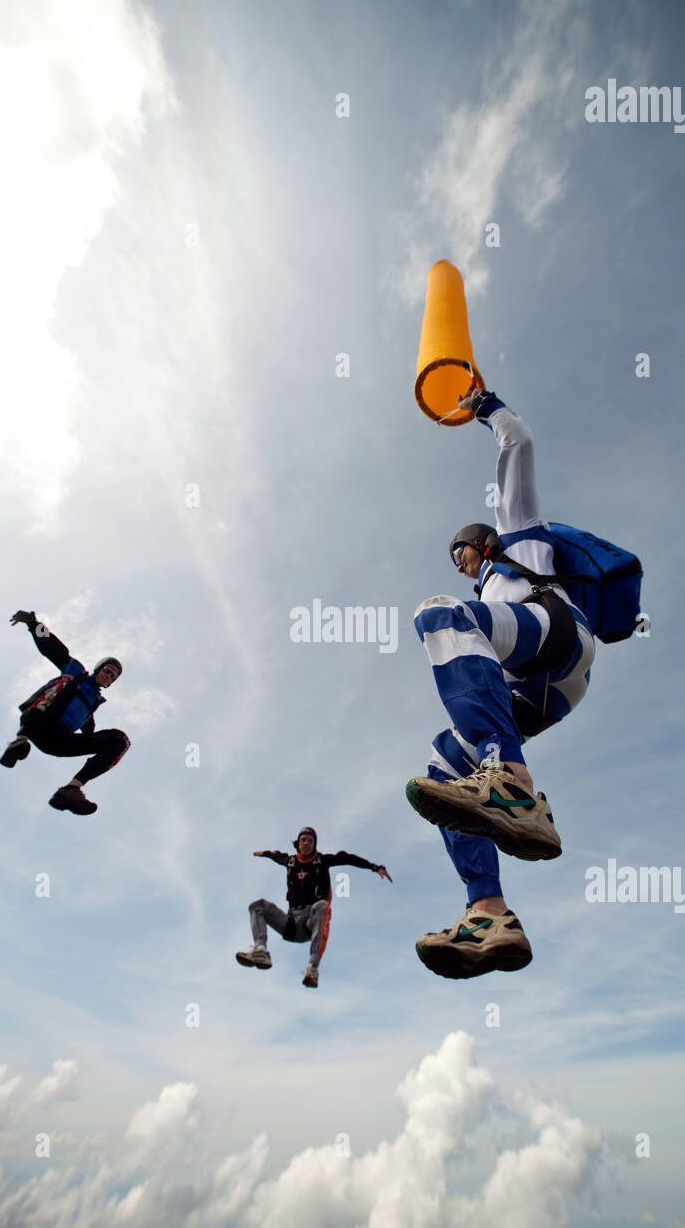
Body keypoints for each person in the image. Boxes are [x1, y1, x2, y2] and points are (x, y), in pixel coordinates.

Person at [407, 383, 595, 980]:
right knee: (443, 769)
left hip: (557, 635)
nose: (458, 562)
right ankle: (488, 913)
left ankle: (511, 784)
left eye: (457, 551)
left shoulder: (517, 536)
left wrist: (483, 406)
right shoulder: (487, 590)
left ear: (477, 542)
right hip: (544, 689)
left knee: (442, 611)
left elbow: (520, 440)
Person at [0, 610, 129, 816]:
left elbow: (90, 739)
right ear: (98, 669)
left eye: (112, 676)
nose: (108, 676)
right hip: (39, 722)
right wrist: (33, 624)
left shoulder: (92, 705)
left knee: (119, 740)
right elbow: (54, 649)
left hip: (58, 741)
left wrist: (102, 751)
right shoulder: (77, 674)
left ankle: (72, 789)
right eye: (106, 670)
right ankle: (19, 741)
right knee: (66, 682)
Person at [237, 828, 392, 987]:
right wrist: (264, 853)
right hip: (290, 924)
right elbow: (276, 855)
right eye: (303, 840)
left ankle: (312, 968)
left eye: (310, 841)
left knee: (323, 906)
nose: (306, 843)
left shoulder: (322, 861)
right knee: (258, 906)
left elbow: (346, 858)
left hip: (309, 925)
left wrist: (375, 867)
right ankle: (261, 950)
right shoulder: (290, 861)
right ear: (298, 844)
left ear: (314, 845)